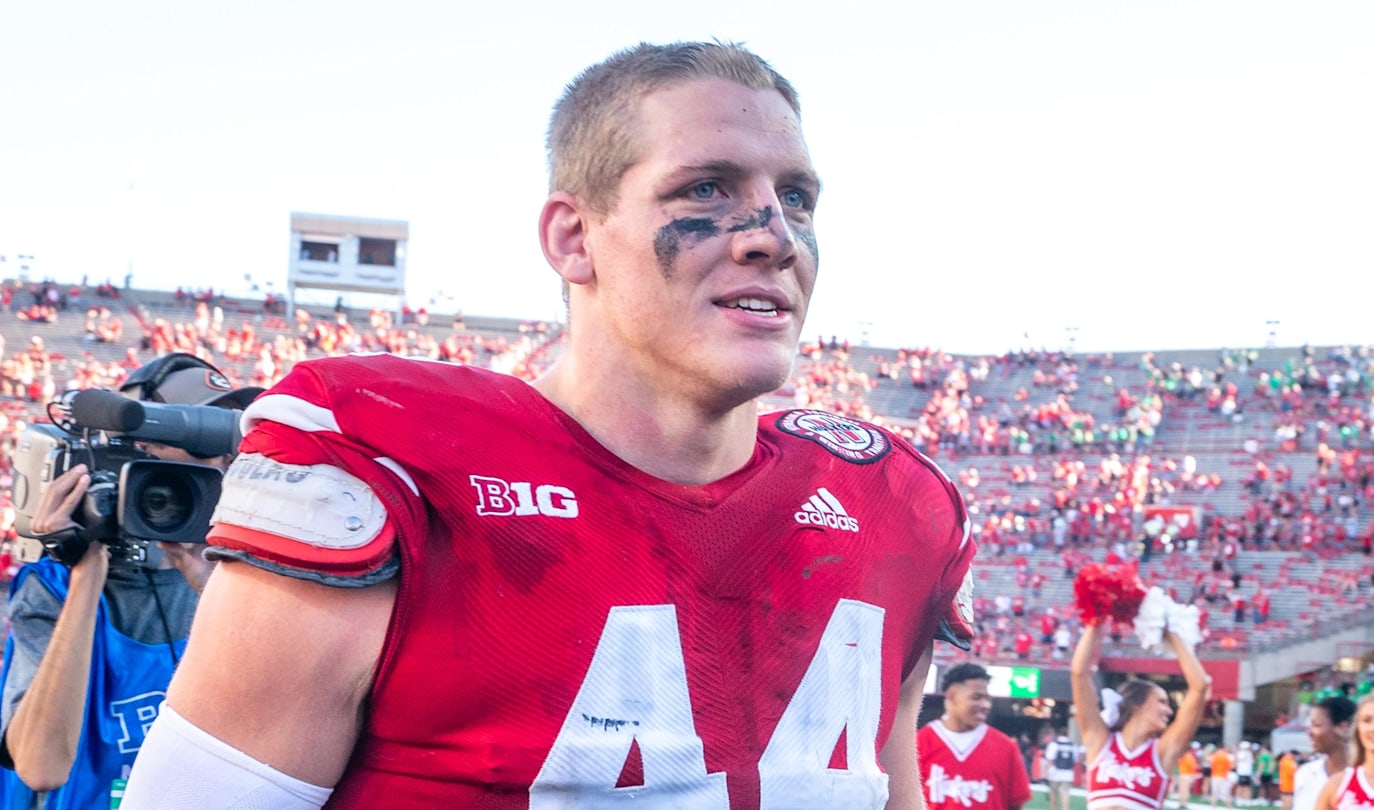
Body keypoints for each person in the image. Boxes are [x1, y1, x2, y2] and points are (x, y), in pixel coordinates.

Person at [121, 41, 976, 809]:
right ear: (575, 239)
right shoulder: (389, 458)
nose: (775, 237)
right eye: (706, 187)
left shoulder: (891, 505)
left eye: (796, 197)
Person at [0, 353, 260, 809]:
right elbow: (40, 766)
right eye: (203, 436)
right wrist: (86, 574)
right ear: (141, 451)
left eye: (229, 442)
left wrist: (210, 587)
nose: (223, 458)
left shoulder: (229, 582)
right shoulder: (53, 586)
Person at [1071, 618, 1211, 810]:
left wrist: (1173, 635)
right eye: (1162, 701)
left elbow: (1199, 687)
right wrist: (1093, 624)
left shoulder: (1162, 752)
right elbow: (1079, 674)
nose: (1169, 711)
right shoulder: (1101, 741)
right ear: (1137, 705)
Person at [916, 664, 1031, 810]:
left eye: (987, 698)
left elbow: (1015, 805)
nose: (985, 705)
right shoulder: (919, 743)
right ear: (952, 695)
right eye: (976, 697)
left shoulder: (1005, 746)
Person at [1293, 696, 1356, 810]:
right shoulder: (1306, 774)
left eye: (1316, 725)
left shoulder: (1367, 778)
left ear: (1343, 727)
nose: (1310, 733)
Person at [1045, 731, 1078, 810]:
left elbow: (1050, 757)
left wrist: (1050, 769)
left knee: (1053, 792)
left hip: (1056, 771)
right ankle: (1065, 808)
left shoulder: (1054, 744)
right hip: (1068, 772)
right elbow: (1075, 759)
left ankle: (1053, 808)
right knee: (1065, 792)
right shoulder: (1072, 745)